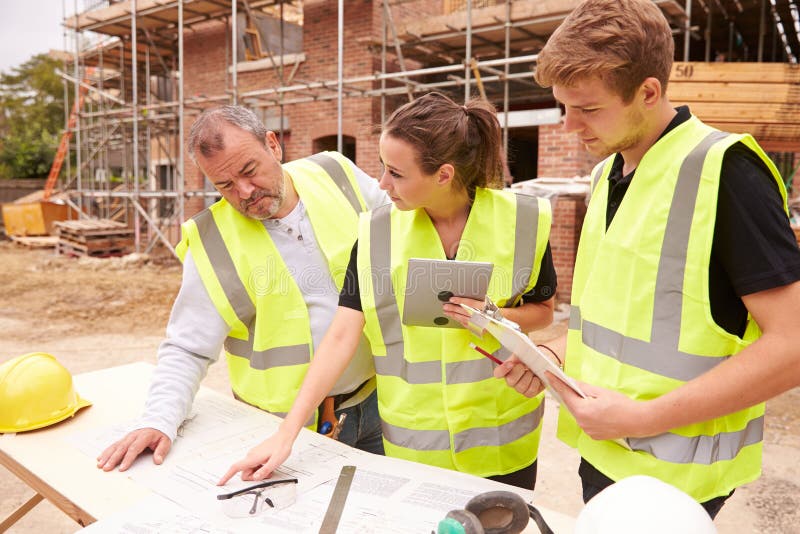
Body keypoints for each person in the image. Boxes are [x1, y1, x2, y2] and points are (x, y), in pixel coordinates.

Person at [495, 0, 800, 518]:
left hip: (675, 480)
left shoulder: (726, 173)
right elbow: (625, 319)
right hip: (605, 453)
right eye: (563, 108)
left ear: (649, 91)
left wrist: (642, 418)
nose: (570, 127)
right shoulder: (606, 174)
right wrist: (554, 356)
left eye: (588, 109)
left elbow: (792, 344)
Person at [218, 92, 557, 490]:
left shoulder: (525, 219)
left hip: (502, 444)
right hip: (414, 449)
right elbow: (342, 334)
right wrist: (287, 432)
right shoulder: (376, 232)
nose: (381, 183)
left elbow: (544, 310)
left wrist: (493, 317)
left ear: (444, 175)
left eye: (396, 173)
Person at [96, 105, 389, 472]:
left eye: (249, 171)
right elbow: (187, 347)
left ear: (273, 145)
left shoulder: (336, 173)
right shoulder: (212, 241)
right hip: (290, 433)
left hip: (380, 402)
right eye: (225, 185)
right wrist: (159, 419)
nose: (245, 191)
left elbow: (406, 226)